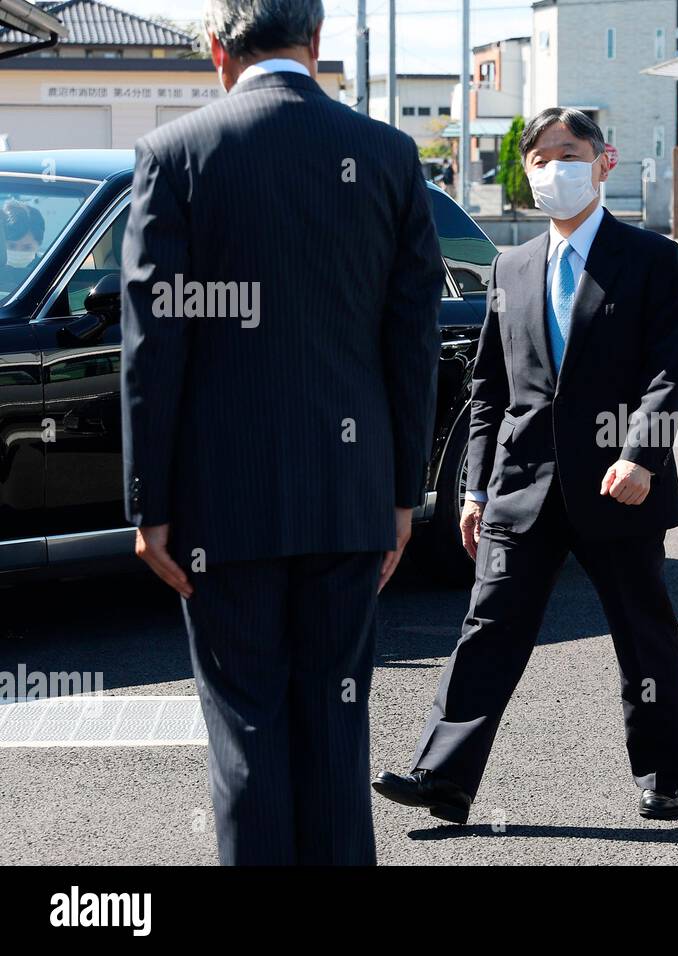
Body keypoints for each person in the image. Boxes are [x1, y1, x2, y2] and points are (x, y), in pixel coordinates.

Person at [120, 0, 443, 864]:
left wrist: (148, 503)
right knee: (337, 731)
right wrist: (402, 495)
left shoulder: (177, 154)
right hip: (349, 496)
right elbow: (410, 341)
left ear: (221, 49)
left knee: (247, 733)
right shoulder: (387, 154)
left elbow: (155, 346)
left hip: (221, 504)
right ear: (318, 41)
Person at [372, 108, 678, 823]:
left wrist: (641, 454)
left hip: (620, 484)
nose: (555, 169)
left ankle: (662, 774)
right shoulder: (512, 266)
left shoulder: (649, 260)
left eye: (570, 154)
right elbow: (488, 391)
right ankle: (443, 777)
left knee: (641, 631)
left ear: (605, 160)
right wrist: (473, 489)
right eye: (542, 159)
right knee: (488, 624)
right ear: (527, 172)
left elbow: (668, 374)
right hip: (521, 486)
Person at [2, 200, 45, 273]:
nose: (18, 252)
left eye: (27, 247)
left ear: (39, 244)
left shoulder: (49, 267)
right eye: (11, 246)